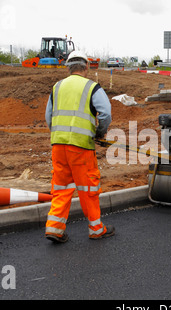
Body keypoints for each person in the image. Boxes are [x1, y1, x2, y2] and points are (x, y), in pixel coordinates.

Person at [44, 50, 114, 243]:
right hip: (81, 147)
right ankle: (96, 228)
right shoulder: (92, 87)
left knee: (61, 187)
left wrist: (59, 134)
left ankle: (54, 228)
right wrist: (99, 132)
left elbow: (48, 117)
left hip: (58, 146)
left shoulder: (56, 87)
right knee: (88, 188)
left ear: (68, 68)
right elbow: (105, 113)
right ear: (87, 67)